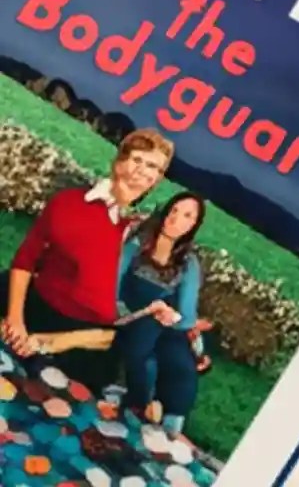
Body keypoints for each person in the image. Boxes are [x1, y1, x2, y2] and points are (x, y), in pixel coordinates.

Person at [0, 128, 174, 391]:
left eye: (152, 167)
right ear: (119, 162)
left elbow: (121, 314)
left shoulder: (145, 234)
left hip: (87, 339)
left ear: (156, 180)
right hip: (40, 306)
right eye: (137, 160)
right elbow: (25, 261)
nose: (141, 170)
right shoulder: (69, 203)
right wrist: (15, 319)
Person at [113, 191, 205, 438]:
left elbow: (186, 315)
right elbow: (114, 286)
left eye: (186, 216)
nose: (176, 219)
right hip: (128, 315)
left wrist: (168, 316)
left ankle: (170, 429)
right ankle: (139, 404)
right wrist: (135, 312)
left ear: (192, 226)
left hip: (166, 325)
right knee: (143, 342)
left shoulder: (188, 263)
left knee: (181, 365)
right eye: (174, 211)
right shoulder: (138, 245)